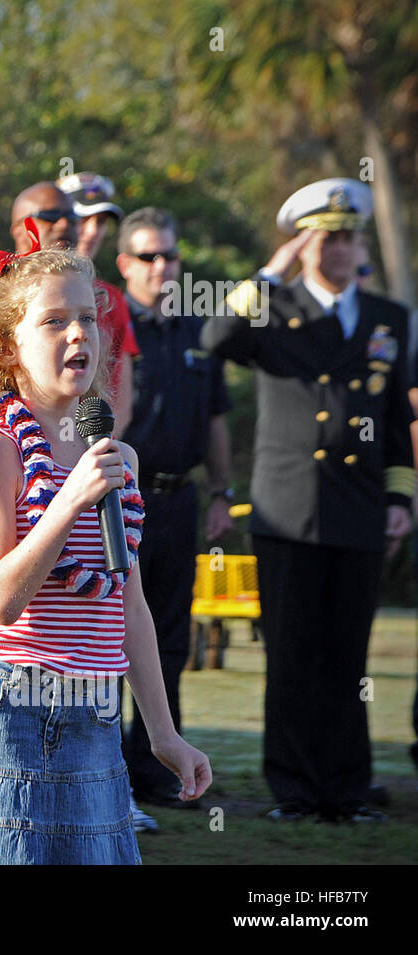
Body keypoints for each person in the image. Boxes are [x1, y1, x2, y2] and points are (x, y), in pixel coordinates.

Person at [0, 232, 212, 864]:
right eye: (53, 321)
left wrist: (164, 735)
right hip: (12, 707)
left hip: (95, 711)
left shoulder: (117, 458)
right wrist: (68, 501)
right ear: (7, 346)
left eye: (87, 318)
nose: (78, 333)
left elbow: (127, 603)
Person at [202, 177, 414, 823]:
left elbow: (397, 416)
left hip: (357, 509)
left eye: (349, 236)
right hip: (287, 508)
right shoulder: (274, 305)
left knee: (348, 657)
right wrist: (270, 272)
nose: (340, 248)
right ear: (304, 241)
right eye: (326, 236)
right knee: (291, 656)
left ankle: (346, 789)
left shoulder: (389, 318)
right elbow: (215, 338)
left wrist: (400, 496)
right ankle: (293, 790)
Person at [114, 207, 232, 820]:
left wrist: (221, 492)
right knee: (114, 632)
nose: (164, 267)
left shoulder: (198, 330)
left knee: (171, 638)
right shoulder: (108, 326)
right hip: (119, 498)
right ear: (125, 263)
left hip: (180, 498)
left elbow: (215, 418)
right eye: (150, 256)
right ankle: (110, 771)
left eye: (171, 255)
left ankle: (161, 768)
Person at [12, 180, 136, 434]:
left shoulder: (106, 298)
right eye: (50, 216)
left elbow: (120, 395)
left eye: (88, 318)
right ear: (18, 228)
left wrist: (98, 449)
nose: (65, 225)